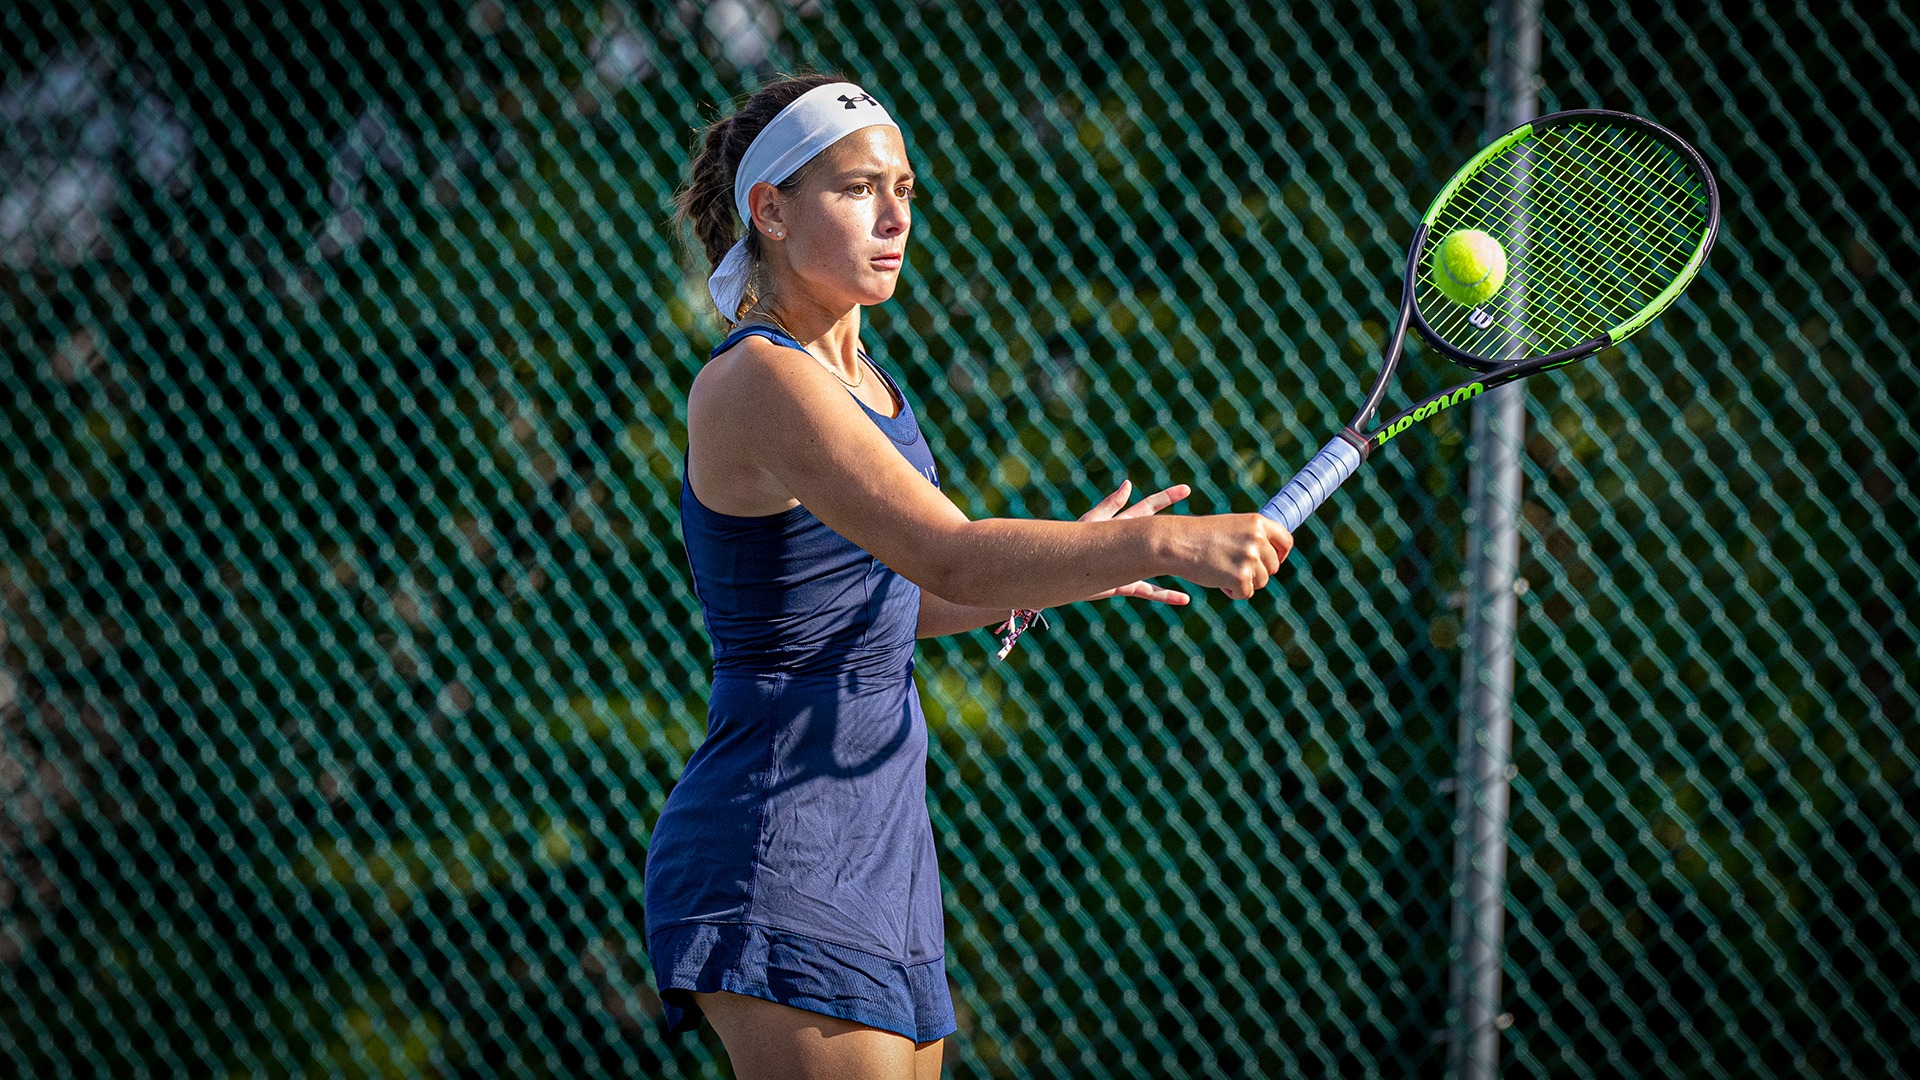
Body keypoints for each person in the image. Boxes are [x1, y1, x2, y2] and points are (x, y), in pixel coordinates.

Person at [643, 73, 1293, 1080]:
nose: (896, 215)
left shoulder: (874, 387)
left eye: (904, 187)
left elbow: (902, 595)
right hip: (779, 841)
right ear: (768, 209)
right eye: (858, 189)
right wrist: (1160, 544)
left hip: (888, 853)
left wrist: (1063, 572)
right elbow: (948, 547)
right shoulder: (758, 379)